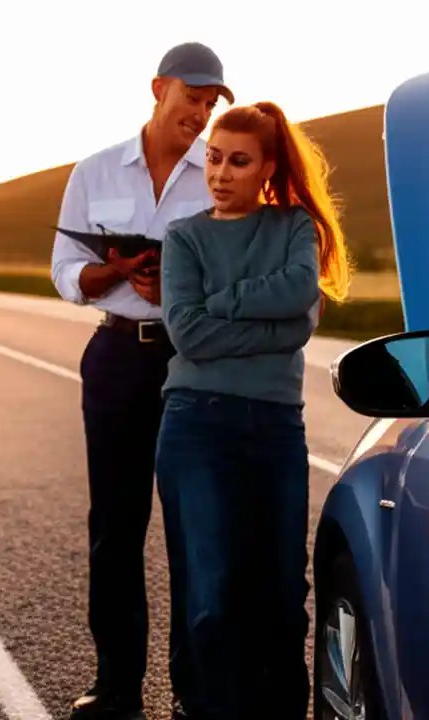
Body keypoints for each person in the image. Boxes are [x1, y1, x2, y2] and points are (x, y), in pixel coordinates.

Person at [50, 42, 234, 720]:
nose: (203, 112)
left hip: (191, 360)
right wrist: (115, 273)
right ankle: (117, 687)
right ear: (159, 88)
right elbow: (65, 269)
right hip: (117, 358)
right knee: (116, 528)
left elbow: (234, 267)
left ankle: (193, 691)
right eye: (194, 96)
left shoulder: (219, 175)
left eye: (214, 103)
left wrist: (181, 282)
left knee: (194, 528)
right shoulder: (95, 172)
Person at [155, 100, 352, 720]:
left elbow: (300, 298)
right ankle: (204, 706)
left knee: (283, 593)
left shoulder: (294, 228)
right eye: (213, 158)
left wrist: (224, 301)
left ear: (266, 167)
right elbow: (188, 334)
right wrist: (269, 324)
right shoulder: (184, 237)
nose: (220, 173)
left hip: (273, 428)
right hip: (195, 425)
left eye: (238, 162)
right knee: (209, 593)